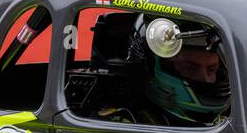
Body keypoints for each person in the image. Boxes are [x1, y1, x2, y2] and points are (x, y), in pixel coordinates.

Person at [98, 17, 231, 126]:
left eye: (212, 69)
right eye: (190, 68)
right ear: (149, 65)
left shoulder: (232, 121)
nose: (206, 80)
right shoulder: (121, 127)